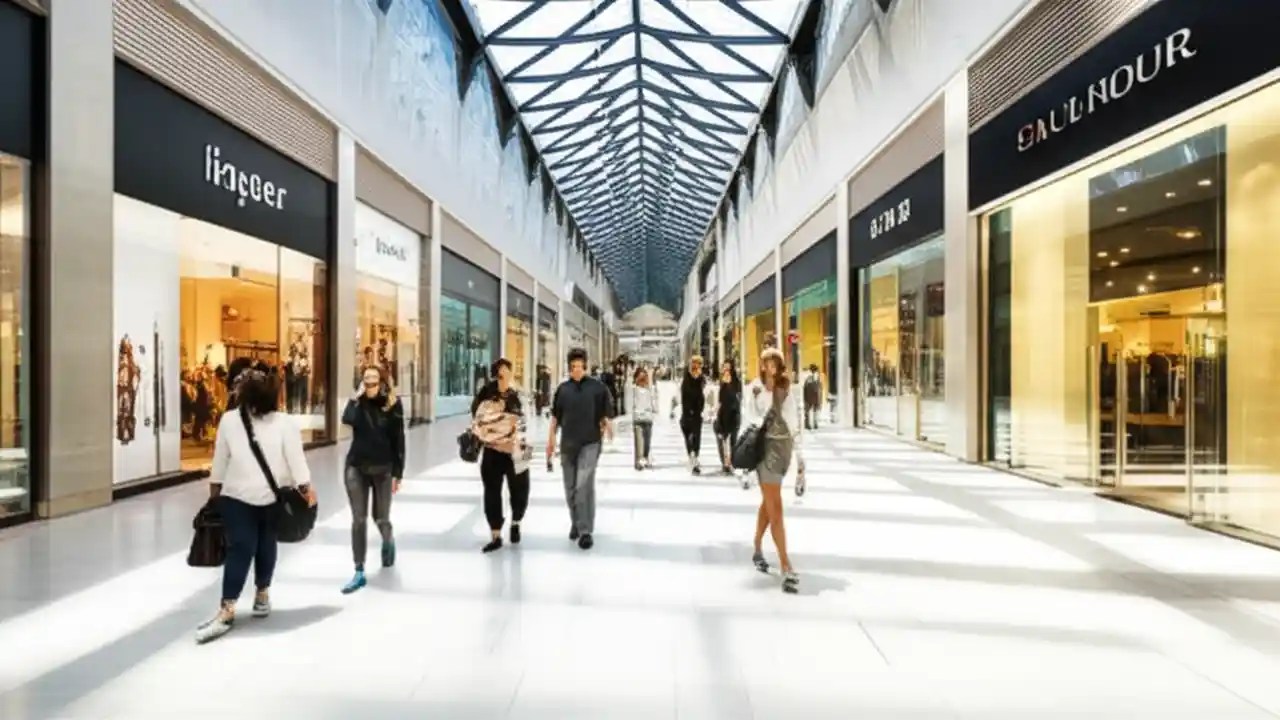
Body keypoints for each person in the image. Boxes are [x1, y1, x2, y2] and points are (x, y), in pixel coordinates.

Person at [196, 369, 315, 644]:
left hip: (236, 496)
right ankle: (260, 595)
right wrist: (306, 488)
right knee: (262, 543)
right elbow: (296, 461)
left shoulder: (229, 420)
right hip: (268, 497)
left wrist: (215, 490)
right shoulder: (284, 423)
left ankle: (230, 607)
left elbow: (220, 461)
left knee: (244, 546)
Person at [339, 366, 406, 594]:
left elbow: (399, 440)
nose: (369, 385)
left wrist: (399, 473)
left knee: (381, 518)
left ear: (382, 382)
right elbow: (346, 419)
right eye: (365, 381)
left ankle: (388, 540)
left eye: (373, 381)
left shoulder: (392, 405)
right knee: (359, 519)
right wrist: (354, 398)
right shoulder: (358, 404)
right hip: (356, 467)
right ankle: (359, 570)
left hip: (383, 469)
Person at [745, 347, 803, 594]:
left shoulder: (786, 389)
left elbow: (794, 424)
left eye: (774, 363)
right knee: (776, 506)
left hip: (784, 449)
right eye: (766, 363)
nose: (770, 367)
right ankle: (785, 564)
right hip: (764, 450)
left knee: (768, 504)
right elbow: (748, 418)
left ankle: (757, 544)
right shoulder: (755, 388)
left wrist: (801, 460)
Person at [547, 348, 612, 550]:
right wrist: (550, 441)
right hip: (568, 445)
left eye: (579, 366)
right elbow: (555, 418)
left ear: (585, 365)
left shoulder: (597, 388)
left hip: (590, 443)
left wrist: (608, 426)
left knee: (584, 485)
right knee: (570, 488)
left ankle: (585, 531)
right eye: (572, 366)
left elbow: (605, 414)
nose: (576, 370)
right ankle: (575, 522)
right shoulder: (563, 389)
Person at [471, 358, 530, 553]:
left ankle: (516, 522)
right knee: (492, 492)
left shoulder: (518, 394)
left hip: (516, 450)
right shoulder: (486, 393)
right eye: (500, 372)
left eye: (507, 371)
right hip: (492, 450)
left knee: (520, 490)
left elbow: (524, 421)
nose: (504, 376)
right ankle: (495, 534)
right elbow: (477, 418)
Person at [714, 361, 743, 480]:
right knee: (723, 440)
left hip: (734, 415)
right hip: (723, 416)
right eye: (724, 369)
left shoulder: (736, 383)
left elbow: (739, 398)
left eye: (728, 369)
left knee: (733, 441)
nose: (725, 371)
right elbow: (719, 401)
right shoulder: (722, 384)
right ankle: (725, 463)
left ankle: (731, 462)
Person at [679, 355, 707, 475]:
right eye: (695, 364)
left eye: (699, 364)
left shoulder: (701, 380)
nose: (697, 367)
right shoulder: (687, 380)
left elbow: (702, 396)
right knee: (690, 438)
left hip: (697, 415)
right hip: (687, 415)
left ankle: (694, 458)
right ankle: (693, 458)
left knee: (696, 439)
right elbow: (685, 398)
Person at [630, 366, 658, 470]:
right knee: (639, 441)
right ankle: (638, 461)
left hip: (648, 418)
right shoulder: (634, 389)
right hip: (638, 419)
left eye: (644, 377)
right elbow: (630, 403)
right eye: (640, 378)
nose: (643, 380)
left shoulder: (649, 389)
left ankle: (645, 458)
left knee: (647, 441)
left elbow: (654, 401)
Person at [802, 364, 823, 430]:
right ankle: (813, 423)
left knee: (809, 411)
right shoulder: (813, 377)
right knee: (813, 410)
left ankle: (809, 424)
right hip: (813, 396)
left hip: (810, 396)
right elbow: (819, 388)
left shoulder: (809, 377)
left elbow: (805, 387)